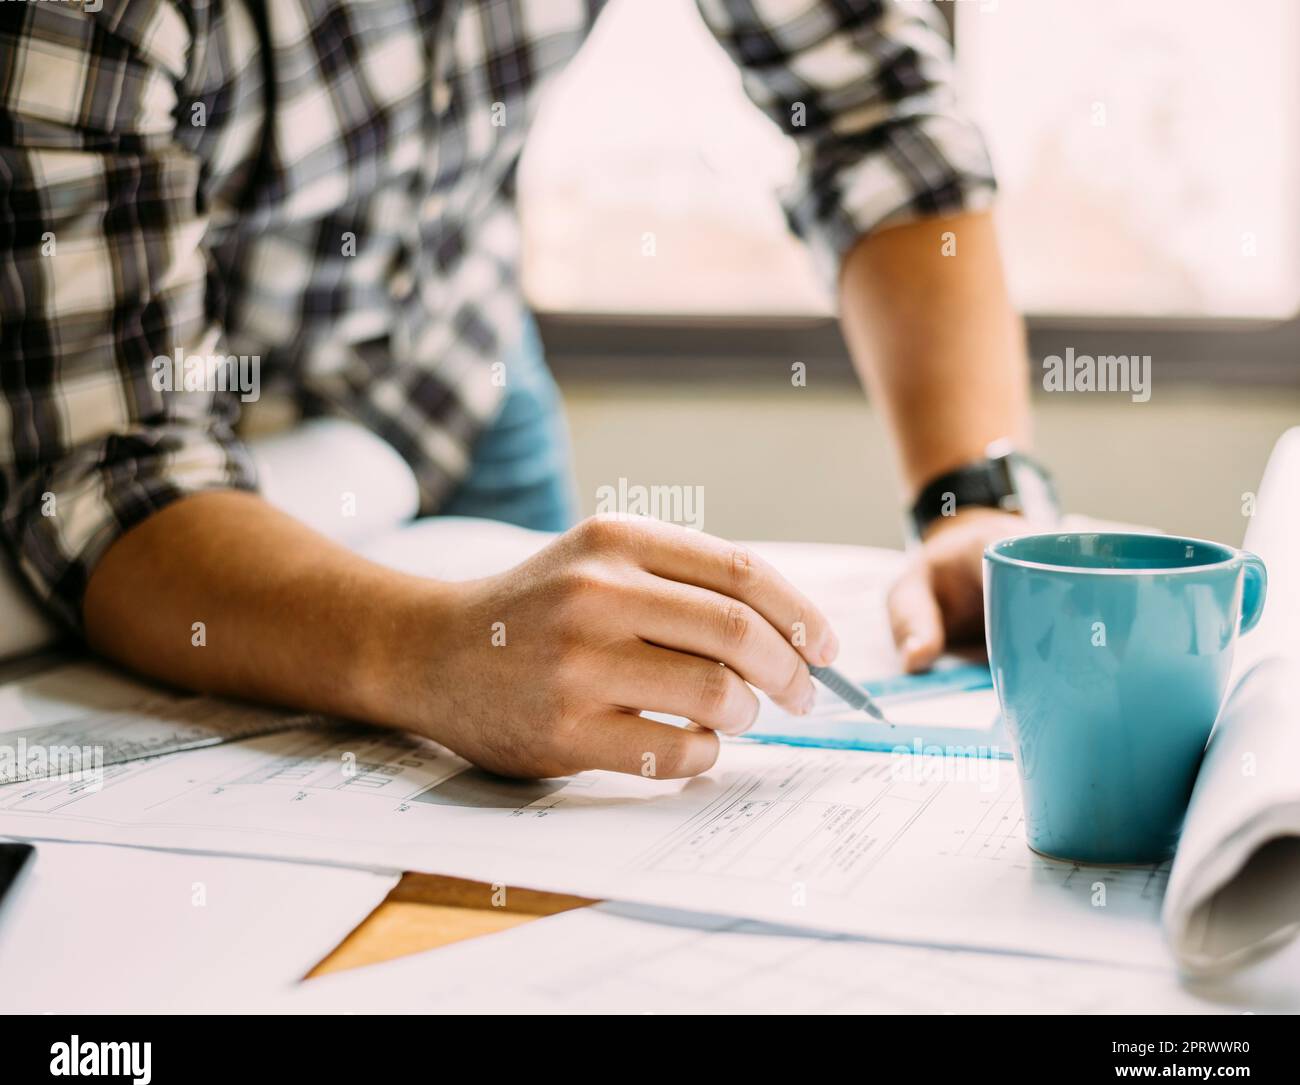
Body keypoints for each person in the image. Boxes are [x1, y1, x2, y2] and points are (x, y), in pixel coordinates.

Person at [0, 0, 1053, 780]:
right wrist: (429, 649)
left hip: (456, 375)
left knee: (567, 759)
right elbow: (115, 472)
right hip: (186, 489)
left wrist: (974, 495)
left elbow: (877, 112)